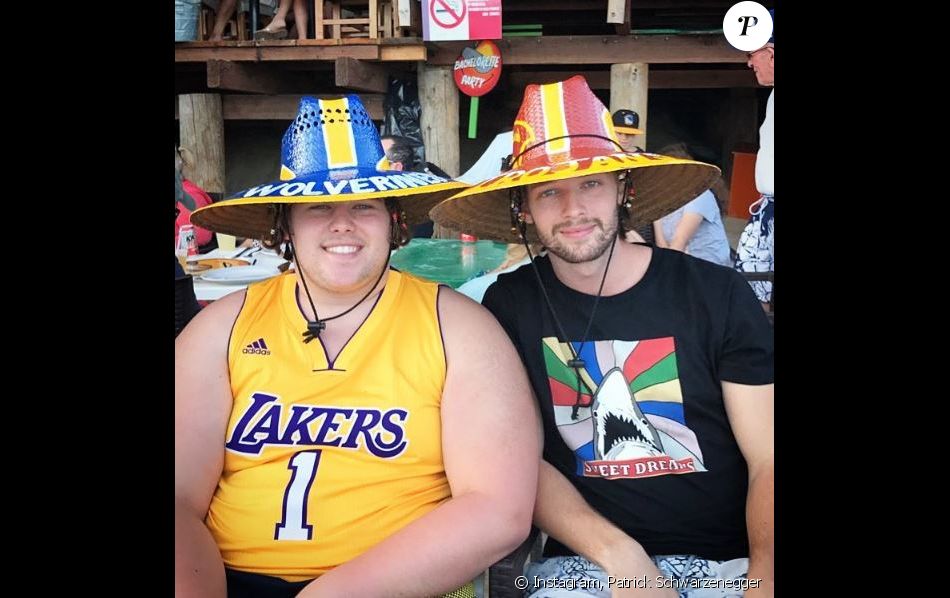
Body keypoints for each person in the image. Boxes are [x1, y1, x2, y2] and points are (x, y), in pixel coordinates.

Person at [177, 95, 540, 597]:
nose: (341, 223)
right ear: (285, 225)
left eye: (364, 205)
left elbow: (497, 509)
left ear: (394, 222)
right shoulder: (221, 328)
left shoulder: (462, 330)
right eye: (318, 206)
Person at [431, 76, 773, 597]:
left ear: (623, 190)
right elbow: (515, 457)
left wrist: (763, 580)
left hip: (729, 561)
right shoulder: (510, 304)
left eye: (591, 184)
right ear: (523, 207)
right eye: (549, 192)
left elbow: (768, 457)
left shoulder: (715, 293)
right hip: (588, 564)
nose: (573, 211)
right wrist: (623, 557)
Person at [734, 9, 775, 310]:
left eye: (752, 53)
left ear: (771, 53)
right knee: (750, 296)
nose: (749, 62)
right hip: (768, 210)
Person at [652, 143, 732, 267]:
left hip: (709, 268)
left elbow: (679, 241)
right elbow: (663, 247)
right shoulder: (663, 199)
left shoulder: (699, 196)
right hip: (681, 263)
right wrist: (656, 219)